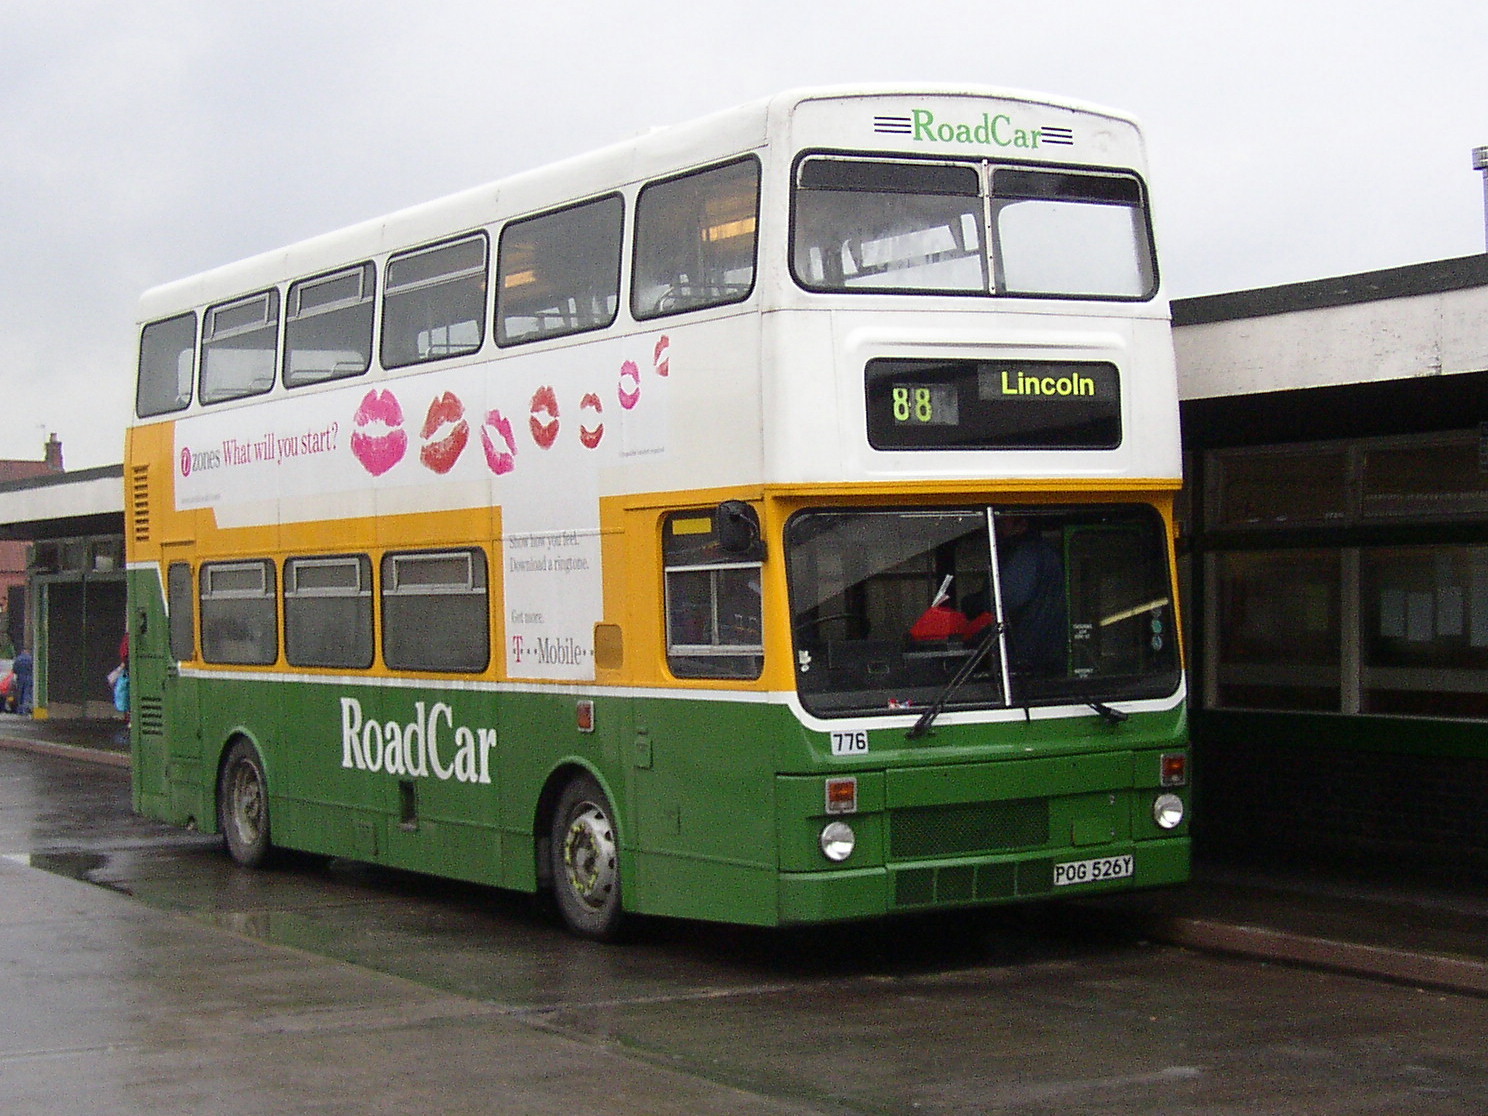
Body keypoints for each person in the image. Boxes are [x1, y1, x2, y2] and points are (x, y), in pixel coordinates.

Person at [995, 516, 1067, 674]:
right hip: (1048, 652)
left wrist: (974, 603)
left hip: (1032, 657)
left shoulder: (1027, 554)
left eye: (1001, 521)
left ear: (1022, 524)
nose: (997, 527)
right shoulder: (1044, 552)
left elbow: (1008, 599)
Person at [12, 648, 33, 716]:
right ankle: (25, 710)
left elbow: (14, 670)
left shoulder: (18, 659)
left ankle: (20, 710)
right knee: (27, 694)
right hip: (29, 678)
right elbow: (33, 668)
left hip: (20, 678)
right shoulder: (30, 659)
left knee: (20, 694)